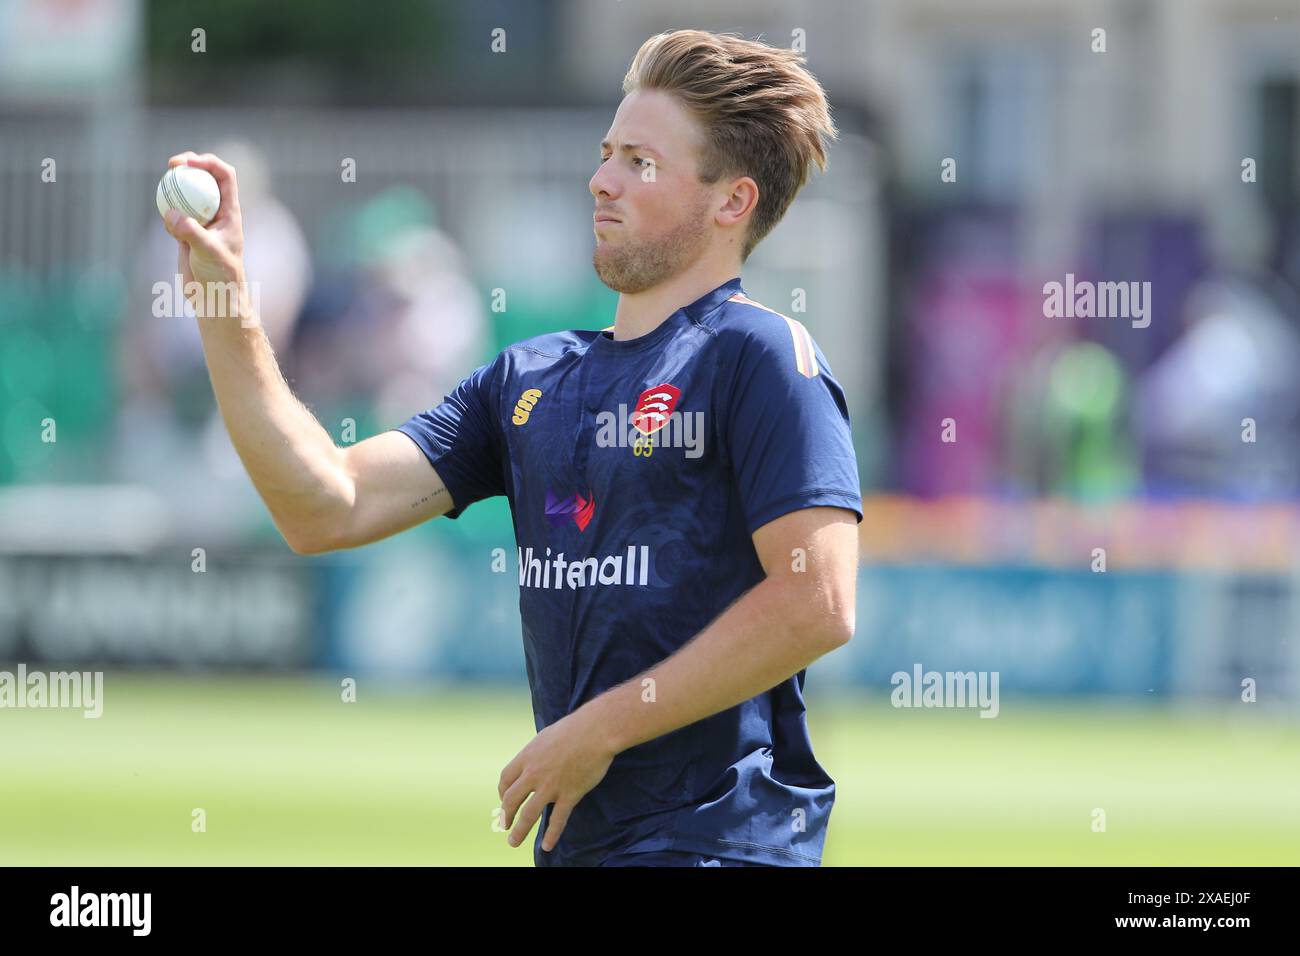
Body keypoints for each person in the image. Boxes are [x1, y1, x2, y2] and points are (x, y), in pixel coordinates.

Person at [160, 29, 862, 867]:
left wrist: (599, 728)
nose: (600, 179)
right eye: (607, 153)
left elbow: (816, 599)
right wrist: (225, 301)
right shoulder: (528, 378)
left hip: (720, 846)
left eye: (640, 161)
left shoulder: (760, 357)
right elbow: (324, 505)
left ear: (731, 202)